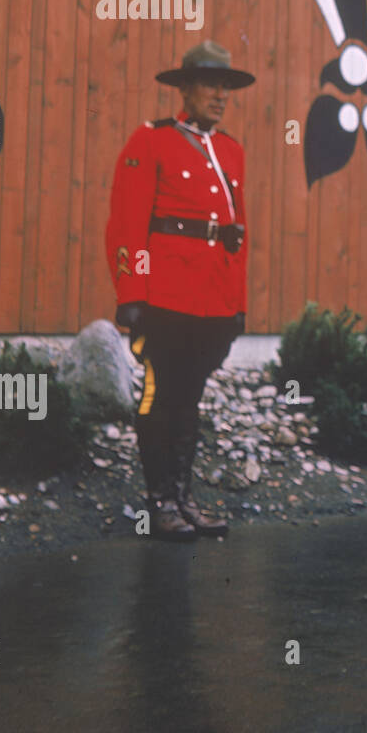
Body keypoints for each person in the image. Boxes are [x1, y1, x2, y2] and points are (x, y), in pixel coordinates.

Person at [106, 41, 253, 542]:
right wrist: (133, 291)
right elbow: (130, 224)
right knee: (158, 395)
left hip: (211, 299)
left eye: (226, 87)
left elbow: (237, 233)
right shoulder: (151, 141)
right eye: (211, 85)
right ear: (185, 89)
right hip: (164, 297)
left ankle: (184, 499)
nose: (220, 95)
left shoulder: (230, 150)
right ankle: (159, 502)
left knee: (189, 397)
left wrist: (237, 304)